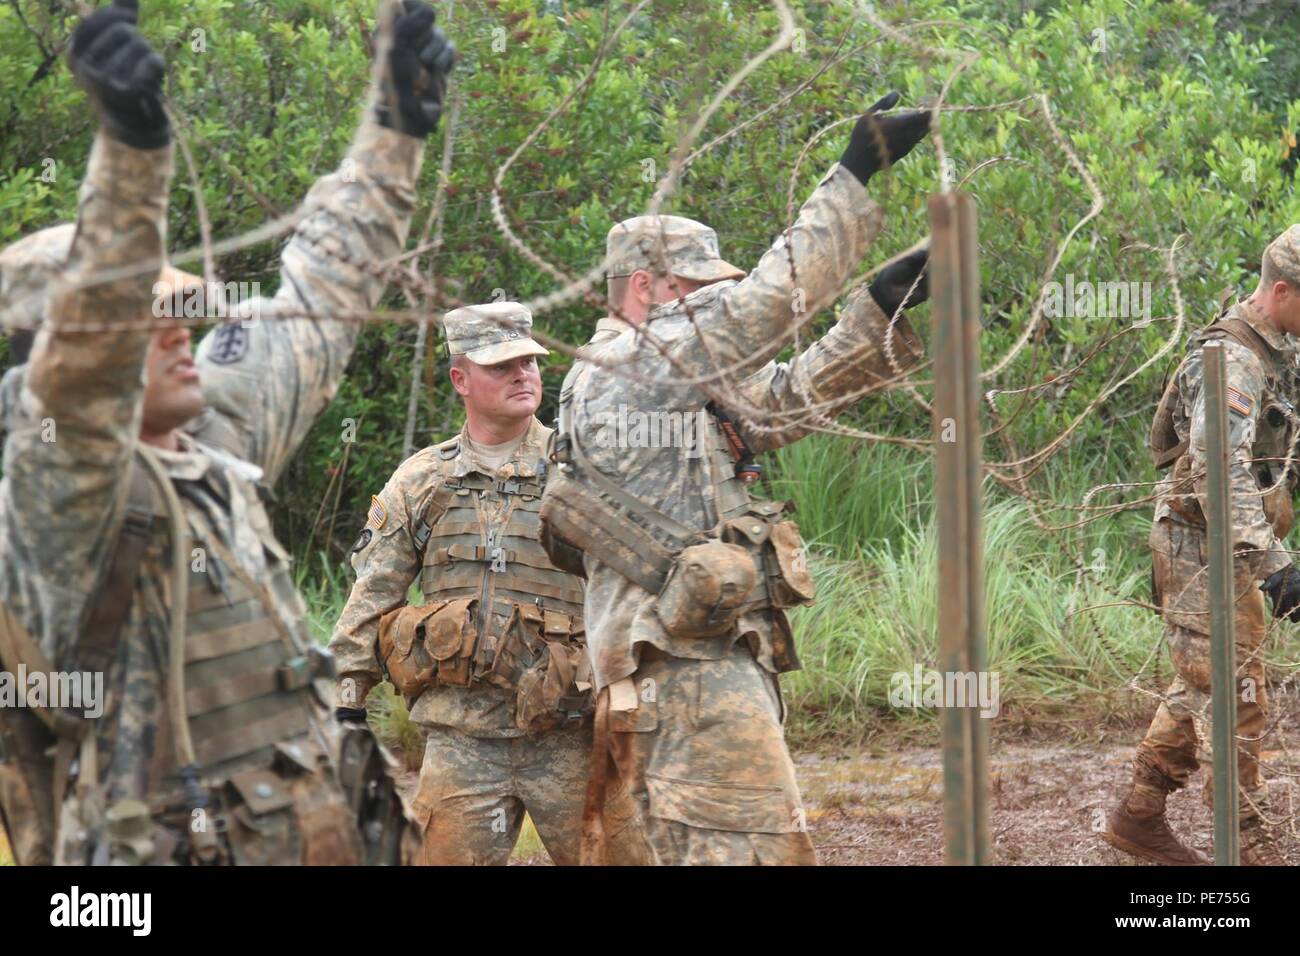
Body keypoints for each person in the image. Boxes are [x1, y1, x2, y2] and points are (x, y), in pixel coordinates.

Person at [0, 0, 454, 865]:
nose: (183, 334)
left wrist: (394, 122)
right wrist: (132, 153)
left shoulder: (212, 438)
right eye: (151, 318)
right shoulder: (55, 488)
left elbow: (327, 280)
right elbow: (86, 366)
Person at [541, 92, 932, 865]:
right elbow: (767, 308)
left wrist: (878, 313)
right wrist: (855, 172)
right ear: (646, 288)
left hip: (693, 665)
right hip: (683, 673)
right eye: (701, 292)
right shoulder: (630, 364)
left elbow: (780, 405)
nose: (719, 307)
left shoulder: (662, 376)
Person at [329, 302, 649, 865]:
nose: (523, 374)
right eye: (502, 366)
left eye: (529, 361)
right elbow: (375, 592)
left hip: (570, 735)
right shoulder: (425, 478)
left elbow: (636, 584)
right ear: (461, 379)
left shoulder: (578, 471)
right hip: (462, 741)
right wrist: (345, 704)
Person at [1103, 227, 1300, 867]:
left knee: (1206, 681)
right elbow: (1221, 468)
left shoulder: (1279, 350)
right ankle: (1249, 843)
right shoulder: (1231, 358)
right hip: (1199, 542)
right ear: (1281, 291)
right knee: (1238, 693)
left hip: (1234, 540)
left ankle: (1139, 815)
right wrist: (1275, 569)